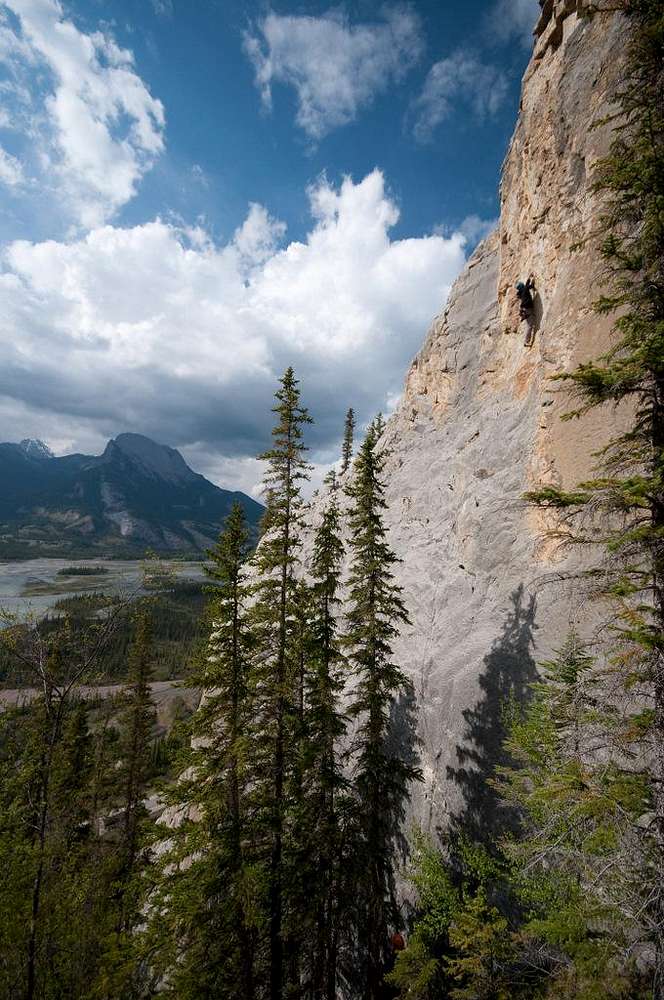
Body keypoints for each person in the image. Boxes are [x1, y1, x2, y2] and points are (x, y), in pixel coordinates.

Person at [516, 276, 536, 346]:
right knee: (530, 326)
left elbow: (527, 286)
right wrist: (531, 280)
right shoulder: (524, 290)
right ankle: (526, 341)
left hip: (524, 309)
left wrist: (528, 279)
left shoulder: (521, 293)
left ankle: (526, 341)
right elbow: (529, 286)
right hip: (527, 309)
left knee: (528, 325)